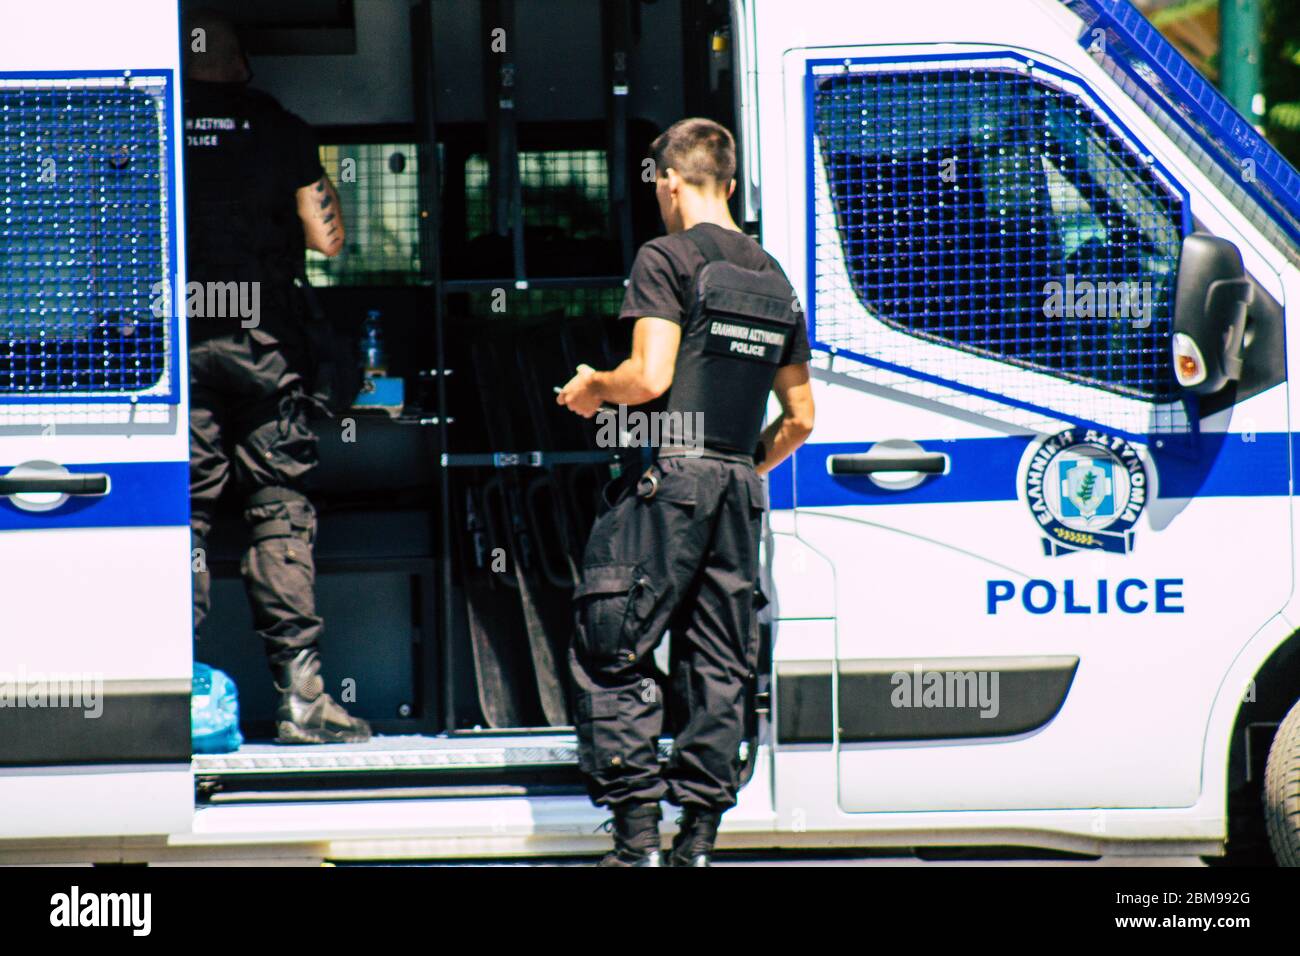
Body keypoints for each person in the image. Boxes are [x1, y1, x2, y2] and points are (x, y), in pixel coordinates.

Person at [557, 117, 815, 865]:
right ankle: (697, 842)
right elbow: (801, 419)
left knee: (612, 645)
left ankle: (637, 840)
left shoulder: (665, 257)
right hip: (737, 485)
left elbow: (649, 378)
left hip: (670, 479)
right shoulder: (774, 277)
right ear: (728, 183)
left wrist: (591, 388)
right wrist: (740, 470)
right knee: (719, 664)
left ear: (668, 181)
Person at [184, 10, 369, 744]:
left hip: (174, 353)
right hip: (264, 349)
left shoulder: (147, 118)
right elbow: (329, 241)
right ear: (238, 64)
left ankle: (169, 691)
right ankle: (302, 700)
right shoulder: (278, 127)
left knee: (183, 517)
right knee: (279, 512)